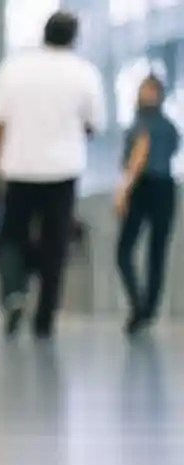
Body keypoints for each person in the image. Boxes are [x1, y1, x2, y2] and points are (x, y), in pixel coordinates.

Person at [0, 11, 106, 339]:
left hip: (19, 168)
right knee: (56, 244)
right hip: (62, 171)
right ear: (73, 37)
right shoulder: (84, 73)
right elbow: (93, 124)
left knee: (10, 238)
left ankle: (13, 291)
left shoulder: (15, 68)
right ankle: (44, 320)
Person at [115, 75, 179, 336]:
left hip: (143, 186)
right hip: (165, 187)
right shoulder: (170, 127)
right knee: (157, 251)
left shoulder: (142, 124)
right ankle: (147, 308)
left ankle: (140, 307)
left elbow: (140, 153)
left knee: (124, 250)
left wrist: (124, 190)